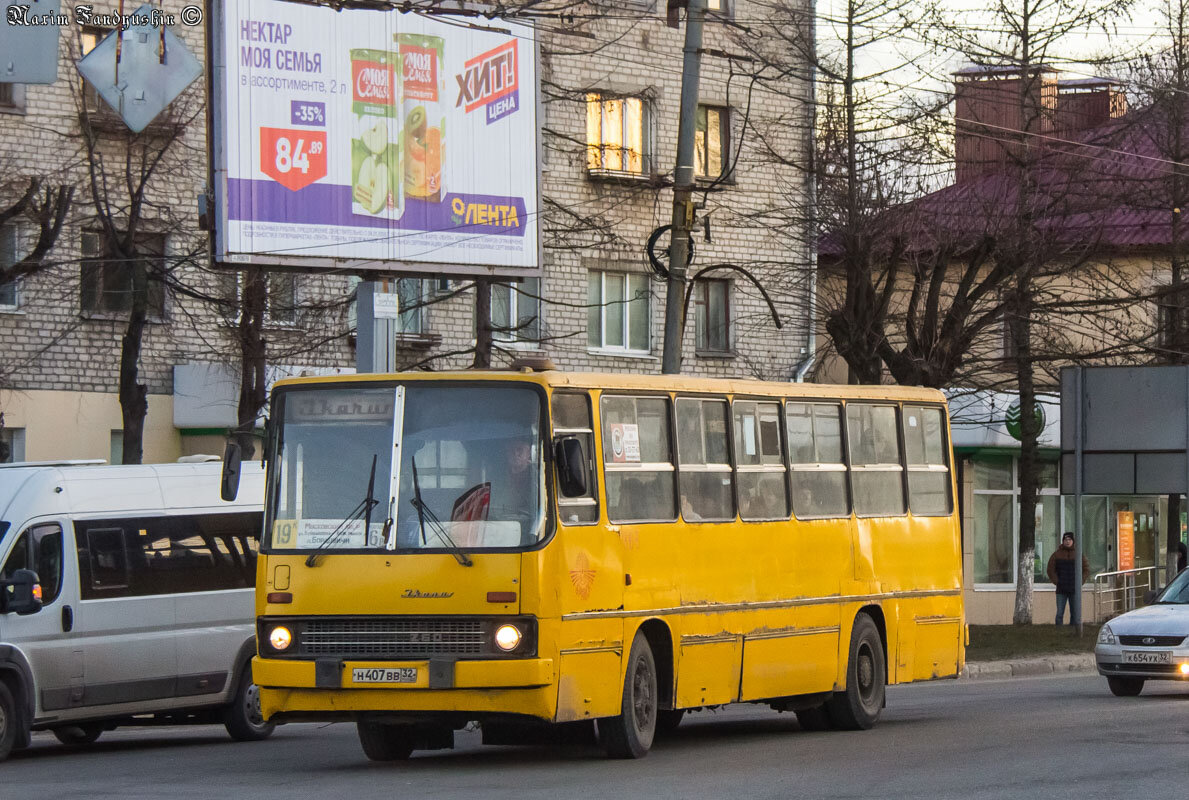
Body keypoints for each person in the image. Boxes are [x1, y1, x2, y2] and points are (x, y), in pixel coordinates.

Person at [1047, 531, 1091, 625]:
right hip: (1061, 589)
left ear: (1073, 541)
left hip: (1074, 588)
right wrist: (1057, 581)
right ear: (1063, 541)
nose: (1067, 541)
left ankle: (1073, 631)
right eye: (1065, 539)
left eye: (1069, 539)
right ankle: (1059, 631)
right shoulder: (1056, 554)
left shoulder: (1079, 554)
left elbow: (1086, 569)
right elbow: (1050, 569)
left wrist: (1080, 581)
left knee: (1074, 613)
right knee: (1059, 613)